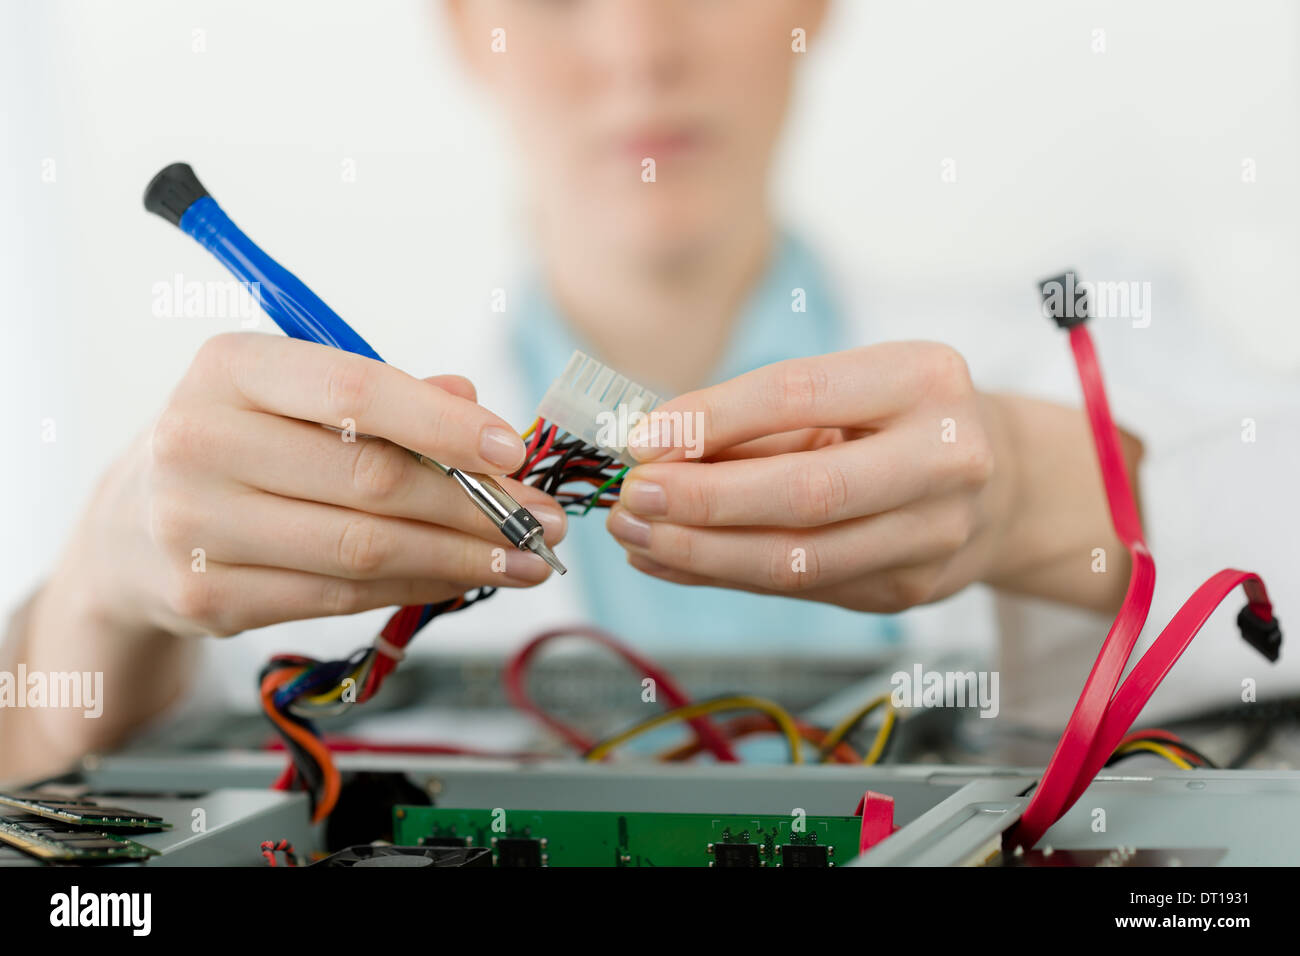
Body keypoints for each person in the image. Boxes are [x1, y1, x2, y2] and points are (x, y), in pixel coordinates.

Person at [7, 0, 1287, 785]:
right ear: (465, 24)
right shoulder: (279, 446)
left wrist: (1043, 489)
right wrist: (98, 604)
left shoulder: (1093, 330)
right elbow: (54, 797)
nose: (639, 47)